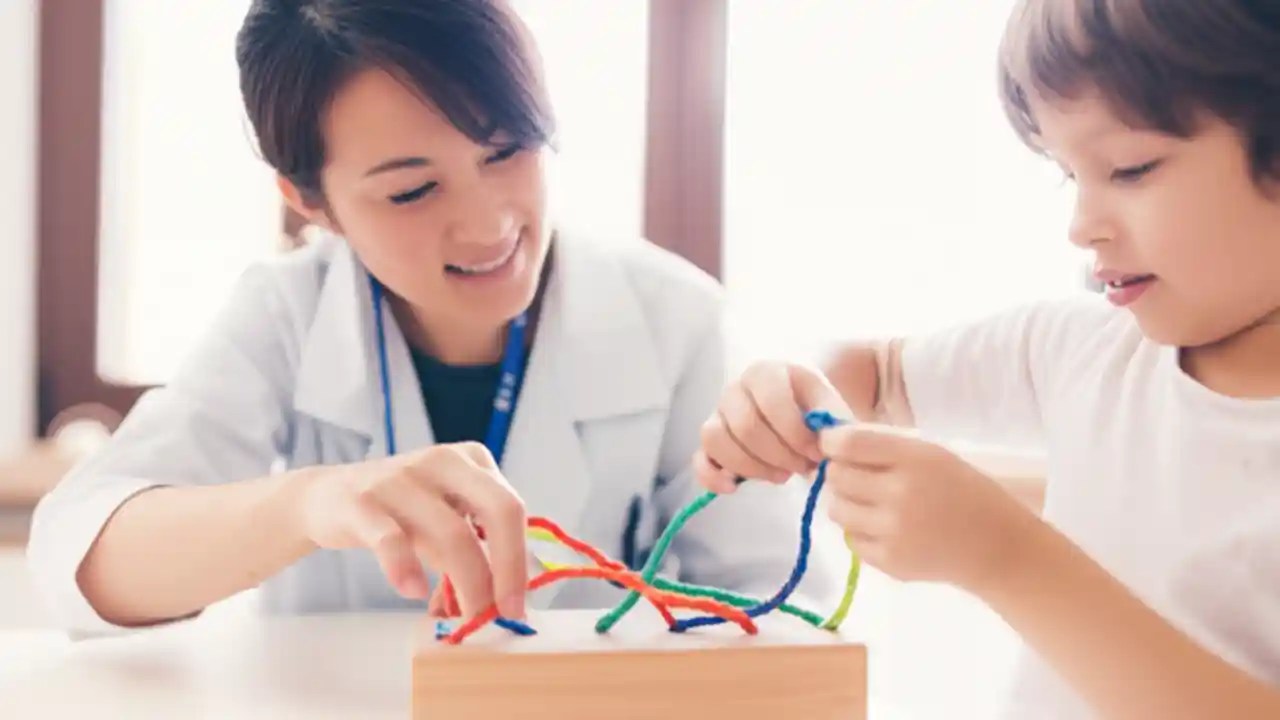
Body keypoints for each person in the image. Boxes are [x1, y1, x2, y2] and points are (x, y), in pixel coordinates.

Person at [27, 0, 832, 638]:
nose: (488, 226)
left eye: (508, 150)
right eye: (412, 190)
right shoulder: (283, 317)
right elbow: (81, 560)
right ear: (313, 203)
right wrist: (311, 503)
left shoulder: (675, 318)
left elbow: (781, 611)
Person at [697, 1, 1280, 718]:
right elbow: (869, 370)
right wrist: (782, 389)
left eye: (1131, 169)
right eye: (1070, 176)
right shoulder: (1080, 350)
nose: (1081, 226)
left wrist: (1005, 557)